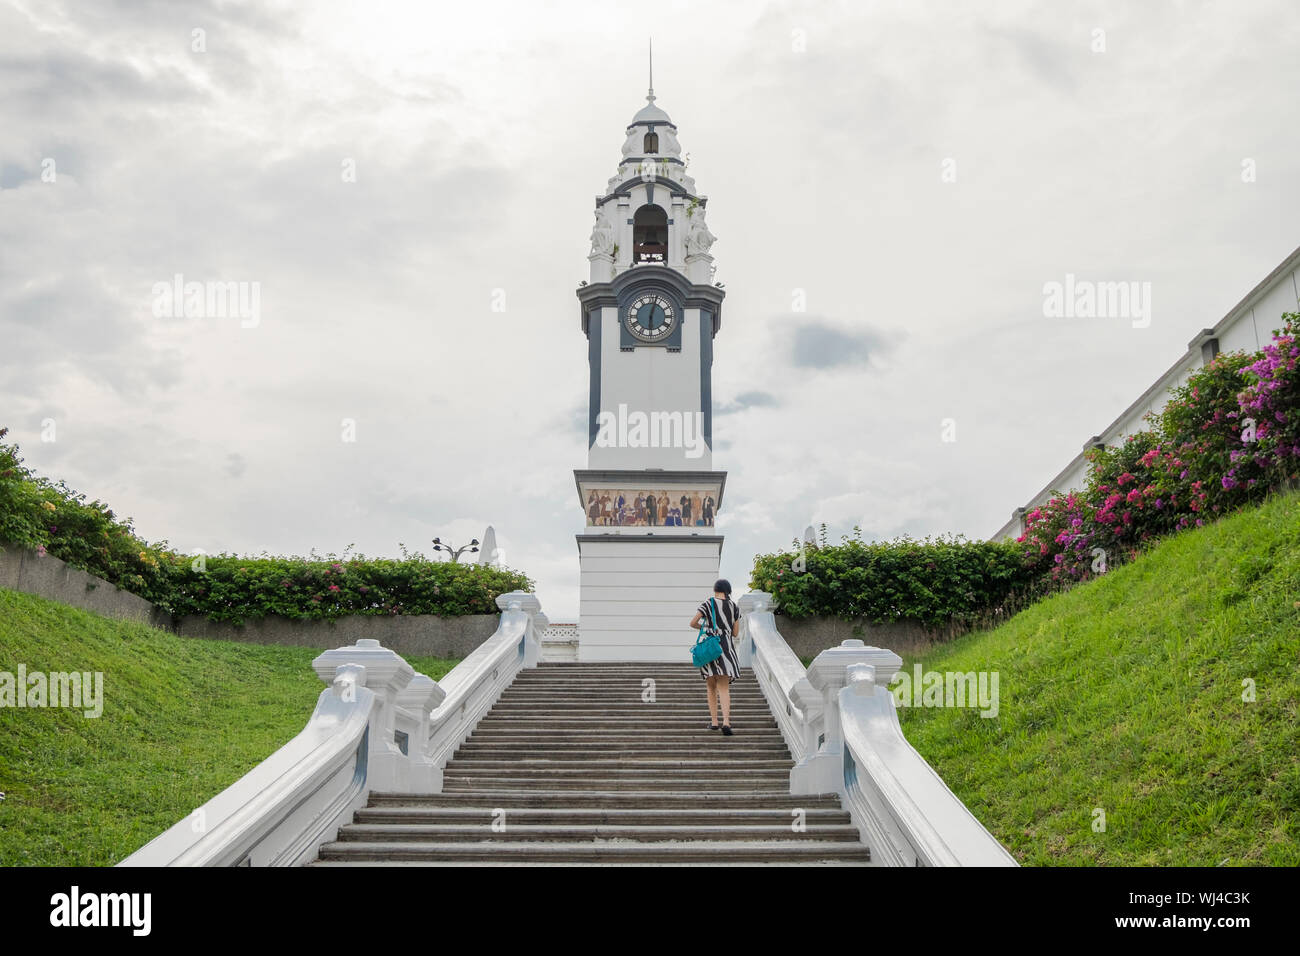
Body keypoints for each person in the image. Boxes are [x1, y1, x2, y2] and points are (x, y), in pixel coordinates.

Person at [689, 578, 742, 735]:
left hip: (711, 650)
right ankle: (726, 722)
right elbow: (735, 633)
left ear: (715, 589)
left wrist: (706, 628)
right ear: (728, 590)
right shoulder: (734, 607)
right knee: (724, 688)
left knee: (711, 687)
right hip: (726, 650)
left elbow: (693, 623)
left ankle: (714, 722)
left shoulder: (709, 603)